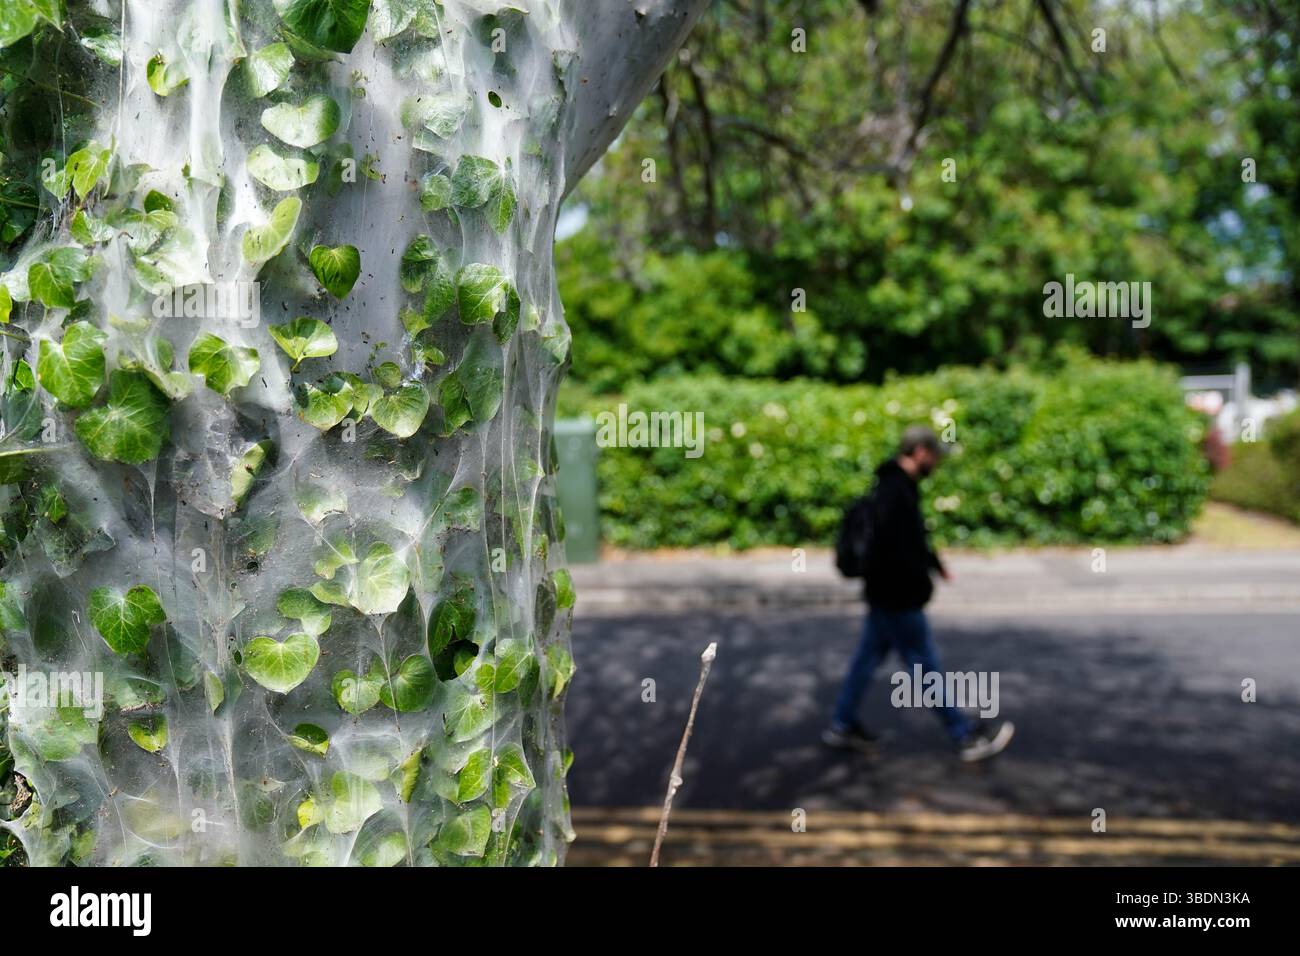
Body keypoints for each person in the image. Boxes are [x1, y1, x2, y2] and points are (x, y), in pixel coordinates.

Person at [824, 425, 1015, 762]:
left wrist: (934, 563)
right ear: (920, 452)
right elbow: (896, 550)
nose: (937, 464)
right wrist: (918, 581)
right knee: (925, 667)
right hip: (898, 598)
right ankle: (963, 735)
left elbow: (910, 542)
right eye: (935, 456)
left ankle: (842, 724)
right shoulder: (895, 491)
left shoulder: (896, 487)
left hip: (886, 596)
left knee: (867, 661)